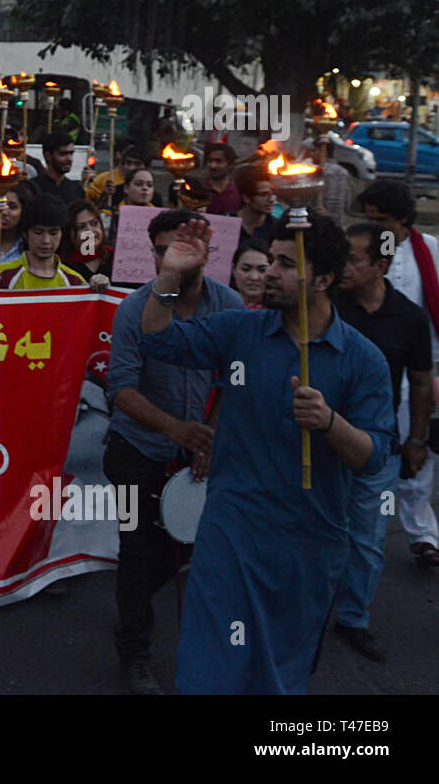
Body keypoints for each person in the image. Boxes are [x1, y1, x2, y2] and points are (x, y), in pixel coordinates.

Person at [140, 216, 395, 693]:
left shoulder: (363, 359)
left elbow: (375, 457)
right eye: (269, 260)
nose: (267, 273)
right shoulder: (240, 329)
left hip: (309, 543)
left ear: (322, 280)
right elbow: (157, 338)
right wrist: (170, 275)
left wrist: (330, 423)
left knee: (275, 677)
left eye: (284, 264)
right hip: (230, 533)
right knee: (208, 670)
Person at [103, 208, 244, 693]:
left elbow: (233, 381)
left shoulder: (229, 305)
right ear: (155, 254)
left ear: (208, 255)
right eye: (163, 251)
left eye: (183, 250)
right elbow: (119, 389)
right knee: (137, 554)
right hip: (135, 451)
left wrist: (207, 437)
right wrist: (175, 430)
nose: (175, 258)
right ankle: (135, 652)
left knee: (191, 555)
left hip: (201, 454)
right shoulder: (134, 308)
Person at [331, 223, 433, 661]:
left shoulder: (410, 318)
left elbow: (422, 384)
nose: (343, 268)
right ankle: (300, 611)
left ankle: (354, 618)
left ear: (381, 266)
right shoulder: (327, 306)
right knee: (313, 529)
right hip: (324, 442)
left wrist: (417, 441)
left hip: (381, 449)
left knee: (369, 538)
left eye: (354, 259)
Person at [356, 180, 439, 566]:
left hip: (419, 366)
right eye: (370, 219)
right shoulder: (364, 253)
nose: (378, 226)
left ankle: (423, 533)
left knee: (416, 446)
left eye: (384, 220)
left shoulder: (431, 252)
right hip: (370, 364)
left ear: (403, 219)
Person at [0, 194, 94, 290]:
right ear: (25, 233)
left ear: (62, 234)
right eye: (38, 232)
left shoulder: (75, 281)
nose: (46, 241)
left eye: (53, 233)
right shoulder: (2, 276)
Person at [61, 199, 114, 282]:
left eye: (94, 223)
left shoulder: (116, 258)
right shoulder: (62, 266)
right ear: (69, 233)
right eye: (81, 227)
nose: (90, 231)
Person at [303, 135, 351, 225]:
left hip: (320, 221)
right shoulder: (344, 172)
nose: (310, 154)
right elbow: (348, 203)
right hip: (338, 221)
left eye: (314, 151)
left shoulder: (316, 172)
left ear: (323, 152)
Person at [86, 140, 146, 208]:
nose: (132, 167)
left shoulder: (149, 192)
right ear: (119, 155)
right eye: (129, 163)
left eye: (137, 164)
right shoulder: (106, 182)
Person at [32, 130, 85, 203]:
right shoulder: (33, 188)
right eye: (63, 154)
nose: (69, 159)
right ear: (48, 156)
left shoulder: (76, 189)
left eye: (71, 153)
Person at [234, 163, 278, 243]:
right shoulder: (226, 224)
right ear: (246, 198)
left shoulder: (276, 228)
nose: (271, 199)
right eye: (264, 194)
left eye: (273, 193)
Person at [230, 239, 271, 309]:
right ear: (234, 270)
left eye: (262, 270)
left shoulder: (283, 313)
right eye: (246, 269)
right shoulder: (217, 306)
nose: (254, 277)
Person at [202, 142, 241, 215]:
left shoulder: (239, 193)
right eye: (210, 161)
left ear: (231, 165)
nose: (213, 166)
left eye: (219, 161)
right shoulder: (199, 189)